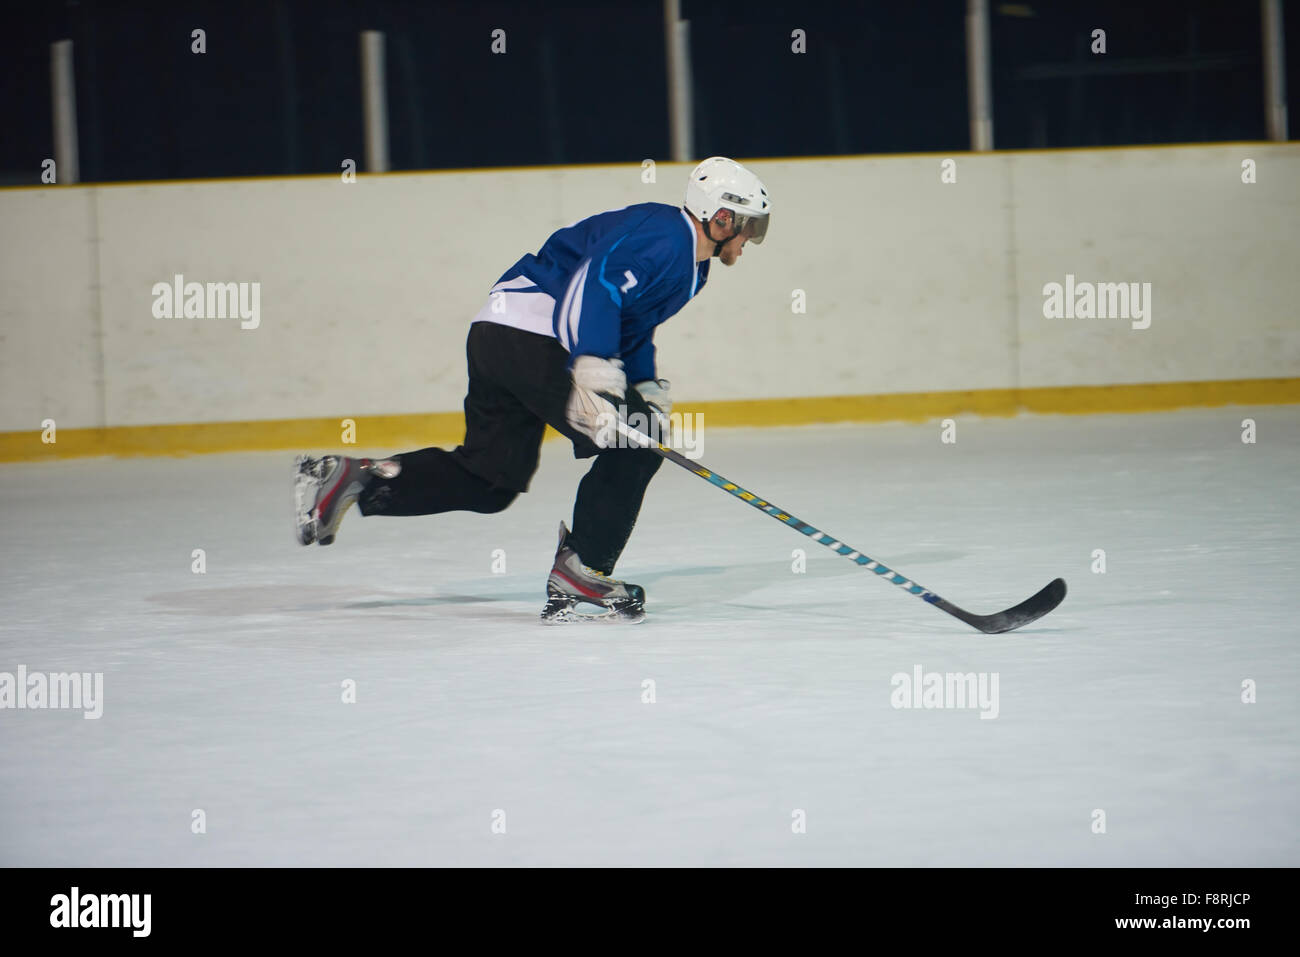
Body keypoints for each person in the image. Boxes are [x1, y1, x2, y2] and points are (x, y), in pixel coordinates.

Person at [293, 156, 770, 622]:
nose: (751, 237)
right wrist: (594, 371)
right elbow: (593, 284)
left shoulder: (692, 266)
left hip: (499, 334)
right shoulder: (667, 235)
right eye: (749, 225)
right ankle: (583, 571)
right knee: (636, 444)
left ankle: (356, 478)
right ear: (721, 216)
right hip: (533, 335)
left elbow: (632, 323)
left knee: (490, 479)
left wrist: (643, 384)